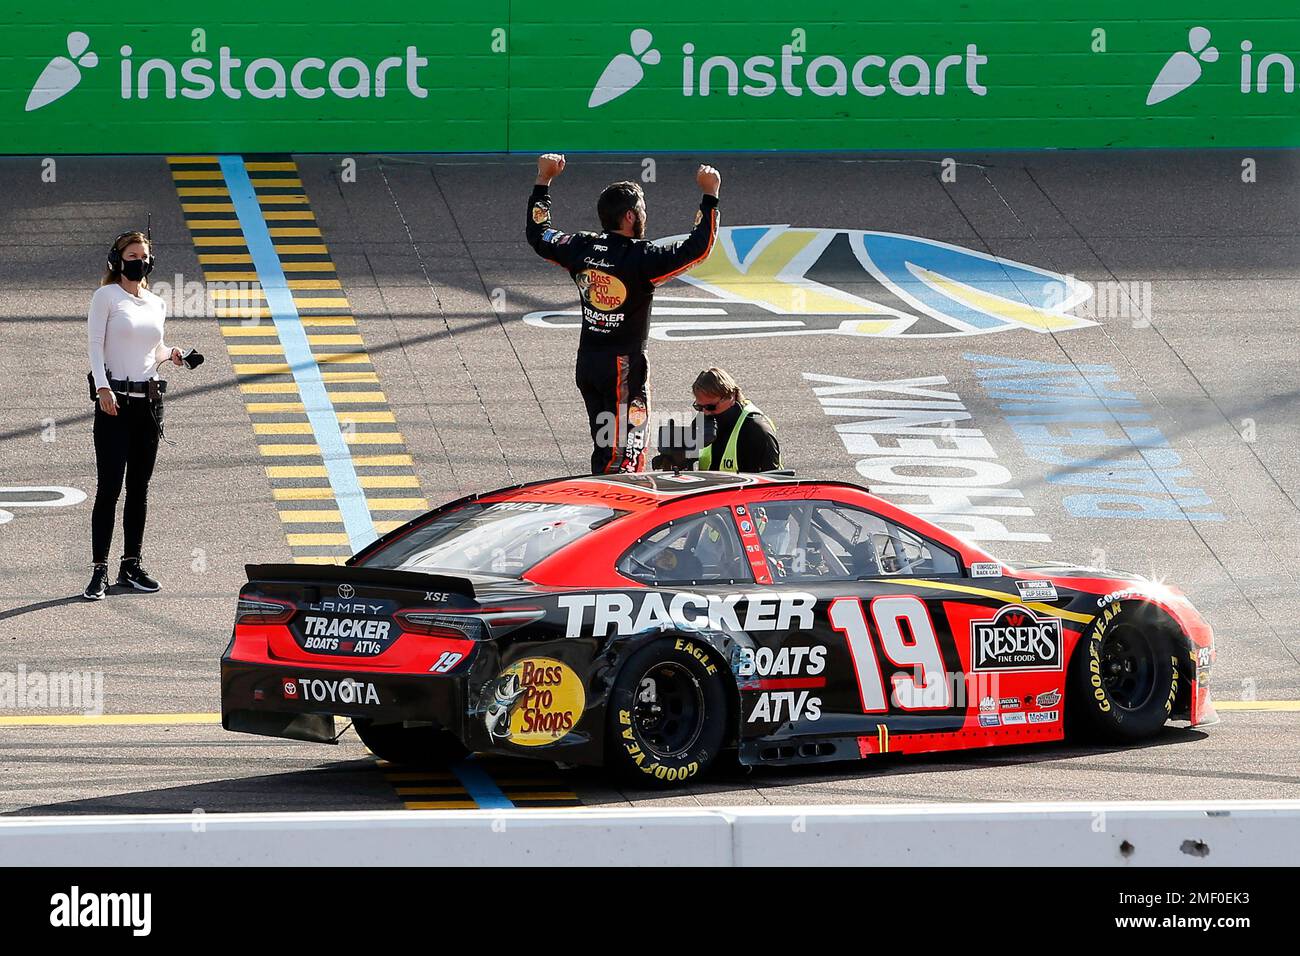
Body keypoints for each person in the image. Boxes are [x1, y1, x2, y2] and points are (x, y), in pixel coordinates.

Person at [526, 153, 720, 474]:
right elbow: (698, 248)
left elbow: (539, 233)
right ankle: (618, 514)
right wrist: (710, 195)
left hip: (588, 363)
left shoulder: (581, 246)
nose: (646, 214)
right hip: (623, 370)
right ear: (630, 216)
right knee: (625, 455)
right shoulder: (642, 257)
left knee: (606, 447)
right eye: (642, 209)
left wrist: (543, 181)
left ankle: (603, 505)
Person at [83, 231, 185, 600]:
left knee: (138, 489)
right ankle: (99, 570)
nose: (138, 260)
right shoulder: (106, 297)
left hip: (148, 404)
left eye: (143, 255)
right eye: (131, 254)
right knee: (109, 488)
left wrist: (172, 353)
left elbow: (151, 349)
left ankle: (131, 564)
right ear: (117, 258)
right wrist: (102, 387)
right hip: (115, 402)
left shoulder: (155, 302)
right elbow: (95, 345)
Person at [692, 367, 781, 473]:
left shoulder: (756, 429)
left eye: (711, 407)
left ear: (731, 396)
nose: (705, 413)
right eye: (699, 407)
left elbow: (772, 483)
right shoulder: (703, 420)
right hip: (713, 487)